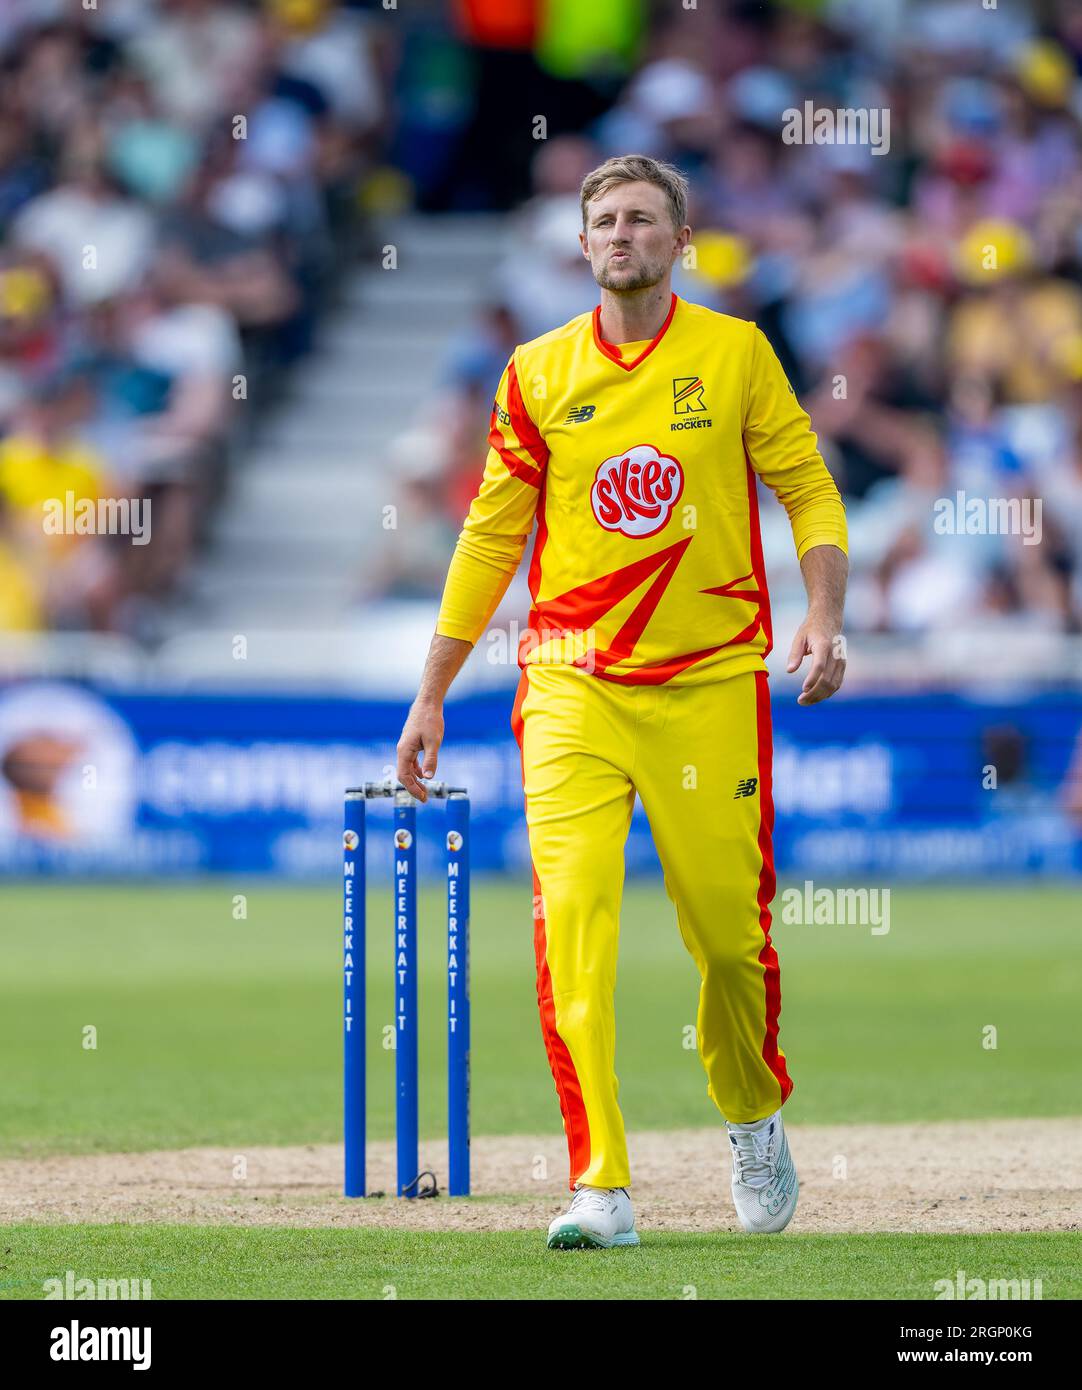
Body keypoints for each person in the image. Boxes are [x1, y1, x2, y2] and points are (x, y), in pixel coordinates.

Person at [396, 155, 848, 1249]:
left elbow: (805, 484)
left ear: (679, 241)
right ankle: (598, 1181)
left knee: (728, 940)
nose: (618, 236)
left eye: (641, 219)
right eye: (602, 220)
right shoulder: (536, 371)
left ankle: (750, 1111)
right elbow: (490, 536)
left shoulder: (733, 351)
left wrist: (824, 618)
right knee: (573, 924)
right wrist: (432, 691)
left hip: (707, 682)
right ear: (580, 241)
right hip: (568, 682)